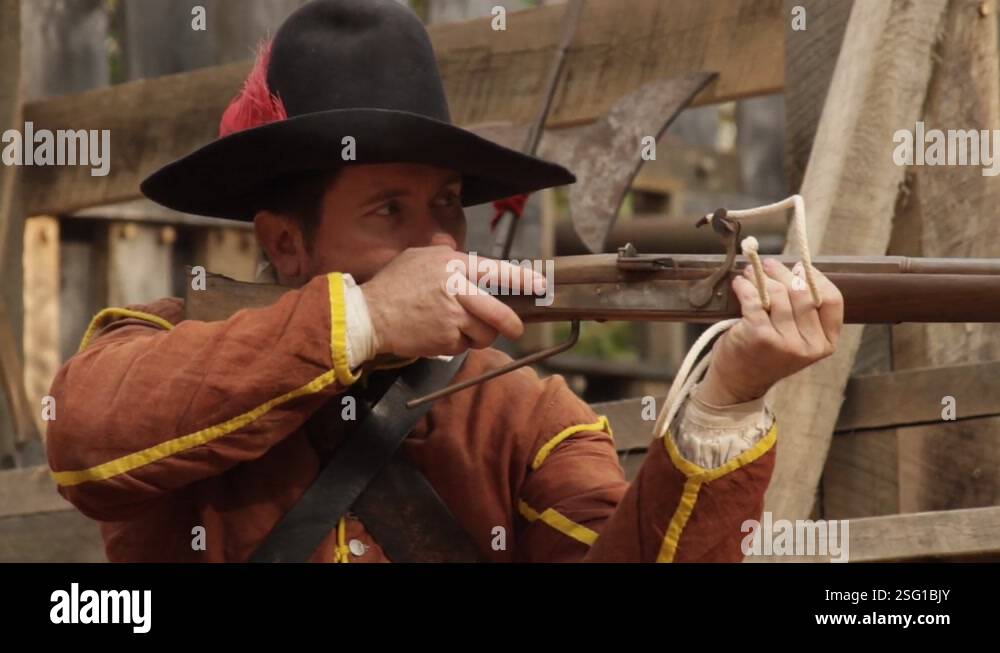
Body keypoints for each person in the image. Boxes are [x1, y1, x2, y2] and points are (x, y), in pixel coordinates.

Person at [46, 0, 843, 562]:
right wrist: (364, 320)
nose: (437, 243)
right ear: (285, 244)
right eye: (389, 210)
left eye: (448, 205)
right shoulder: (169, 351)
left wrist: (726, 400)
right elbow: (81, 438)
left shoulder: (525, 414)